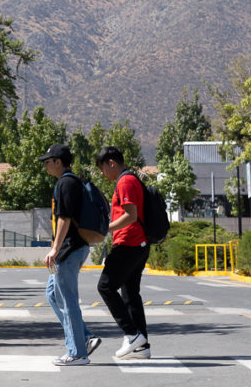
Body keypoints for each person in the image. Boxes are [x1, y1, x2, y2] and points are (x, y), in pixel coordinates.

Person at [40, 143, 100, 366]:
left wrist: (55, 249)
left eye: (48, 162)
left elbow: (64, 218)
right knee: (53, 294)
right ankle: (84, 337)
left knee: (67, 300)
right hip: (72, 248)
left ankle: (77, 353)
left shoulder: (65, 183)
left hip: (69, 249)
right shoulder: (71, 181)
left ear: (59, 162)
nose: (45, 166)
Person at [96, 145, 150, 360]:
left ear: (111, 163)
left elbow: (131, 215)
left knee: (105, 286)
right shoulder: (130, 179)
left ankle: (132, 334)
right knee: (130, 294)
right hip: (139, 244)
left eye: (102, 168)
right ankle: (141, 347)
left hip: (129, 242)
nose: (103, 174)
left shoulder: (125, 181)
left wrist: (105, 229)